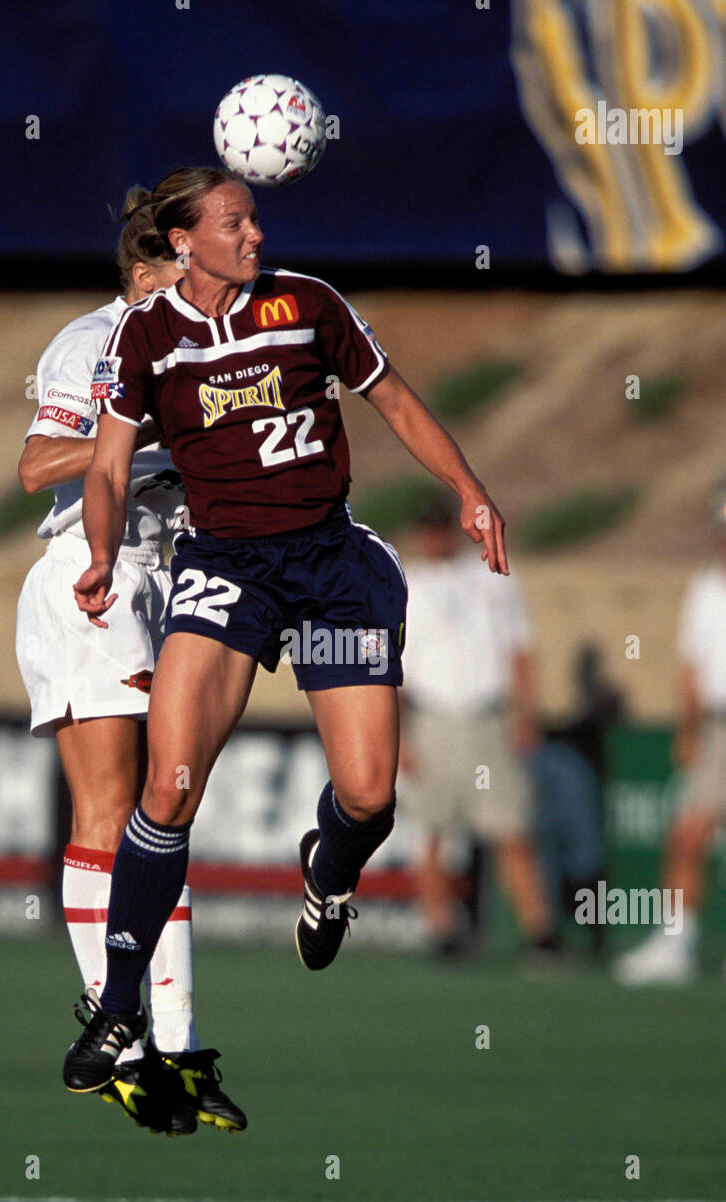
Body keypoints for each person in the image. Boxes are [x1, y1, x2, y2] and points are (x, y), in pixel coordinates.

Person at [65, 165, 509, 1094]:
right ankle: (117, 1014)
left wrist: (469, 491)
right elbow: (106, 470)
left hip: (329, 567)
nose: (257, 235)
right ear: (184, 242)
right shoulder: (144, 336)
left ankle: (328, 867)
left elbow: (393, 401)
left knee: (370, 796)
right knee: (170, 787)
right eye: (236, 222)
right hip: (226, 569)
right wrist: (101, 555)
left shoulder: (307, 305)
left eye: (257, 218)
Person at [15, 187, 246, 1135]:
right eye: (184, 271)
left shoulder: (200, 345)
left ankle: (179, 1046)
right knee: (115, 812)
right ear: (147, 271)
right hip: (90, 579)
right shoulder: (97, 341)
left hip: (163, 585)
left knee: (165, 810)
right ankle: (126, 1040)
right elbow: (37, 463)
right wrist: (151, 428)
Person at [400, 495, 558, 960]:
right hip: (433, 719)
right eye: (426, 529)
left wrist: (525, 714)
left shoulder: (492, 576)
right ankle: (442, 929)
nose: (434, 538)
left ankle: (539, 931)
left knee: (511, 829)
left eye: (439, 528)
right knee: (431, 832)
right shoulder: (403, 581)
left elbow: (520, 650)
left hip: (488, 716)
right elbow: (389, 667)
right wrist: (400, 736)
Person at [614, 480, 726, 985]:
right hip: (718, 729)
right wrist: (689, 729)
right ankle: (676, 943)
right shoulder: (706, 588)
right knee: (687, 835)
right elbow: (693, 668)